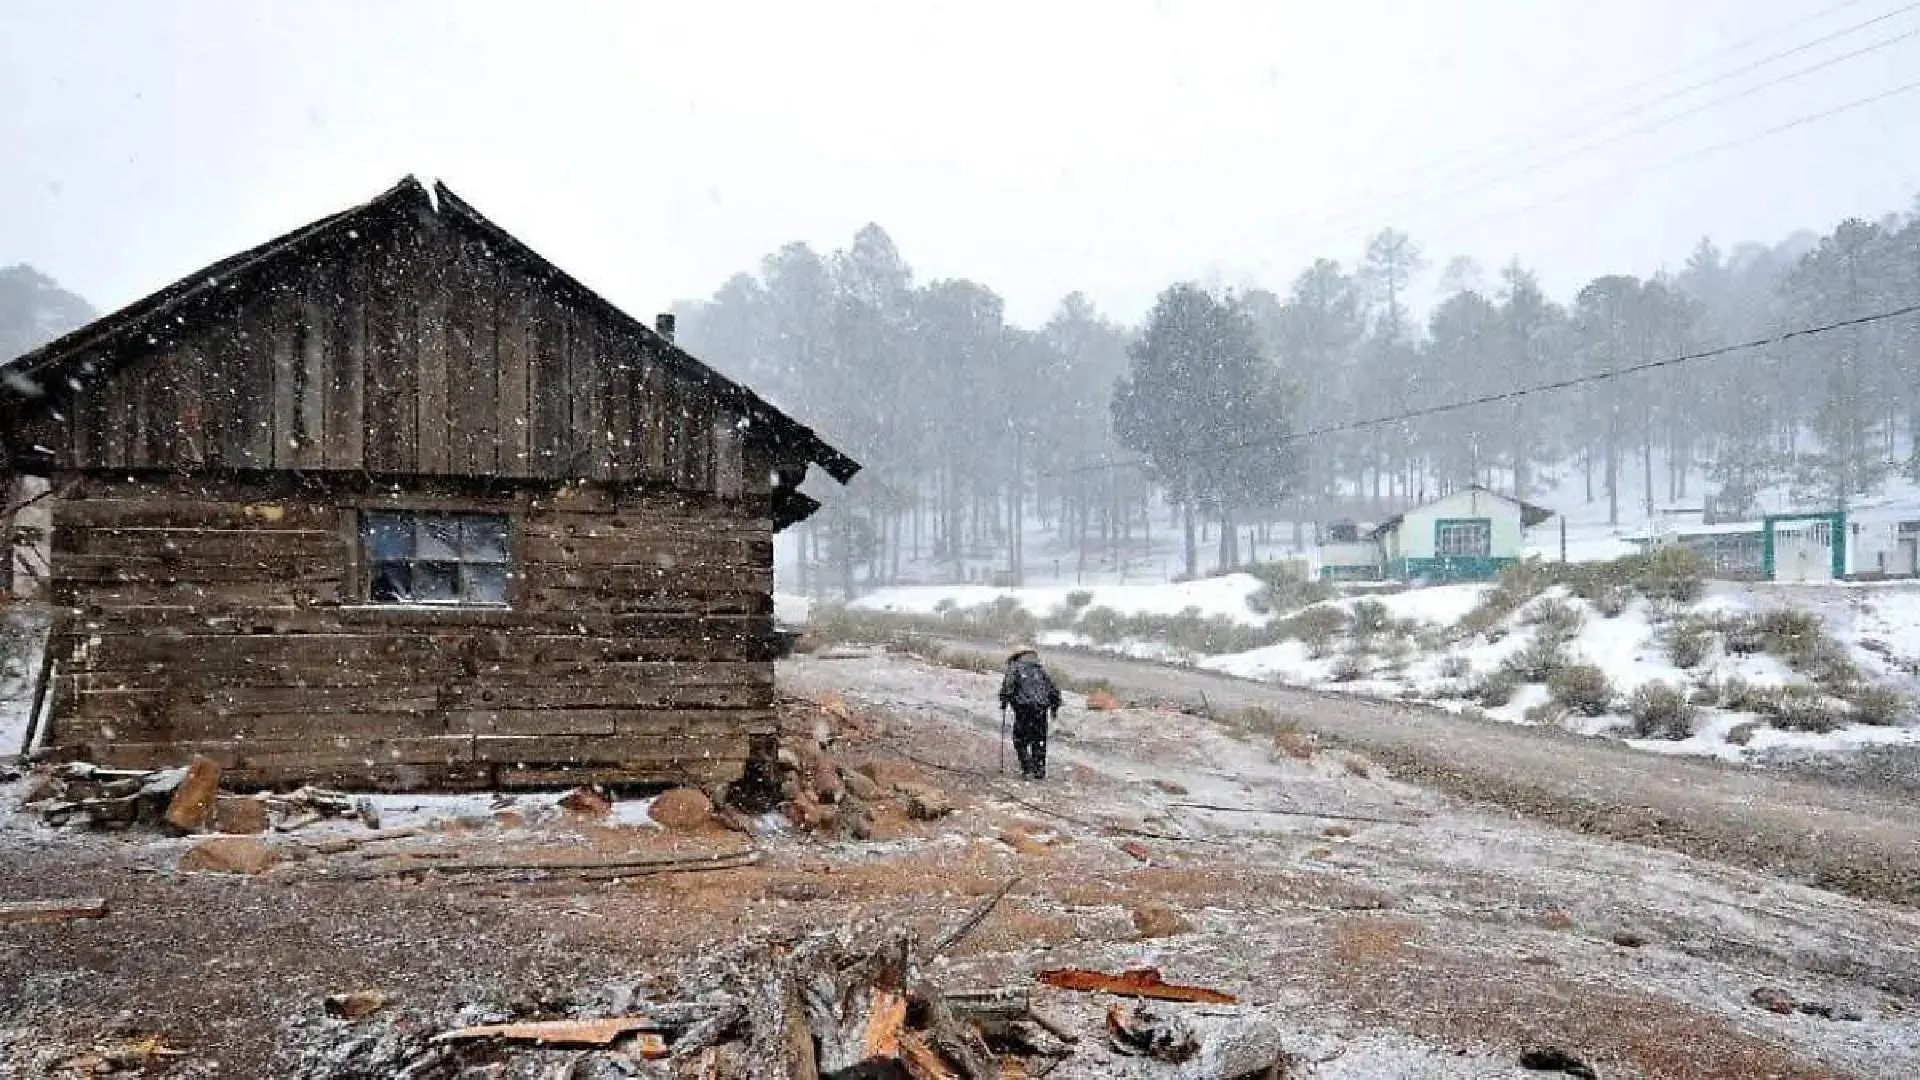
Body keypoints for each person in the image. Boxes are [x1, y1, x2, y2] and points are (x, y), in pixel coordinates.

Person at [999, 647, 1061, 780]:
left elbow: (1008, 686)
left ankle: (1027, 768)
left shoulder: (1015, 667)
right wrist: (1054, 707)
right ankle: (1039, 770)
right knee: (1039, 740)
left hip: (1023, 708)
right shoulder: (1040, 670)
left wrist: (1004, 701)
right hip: (1041, 708)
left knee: (1020, 739)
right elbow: (1054, 690)